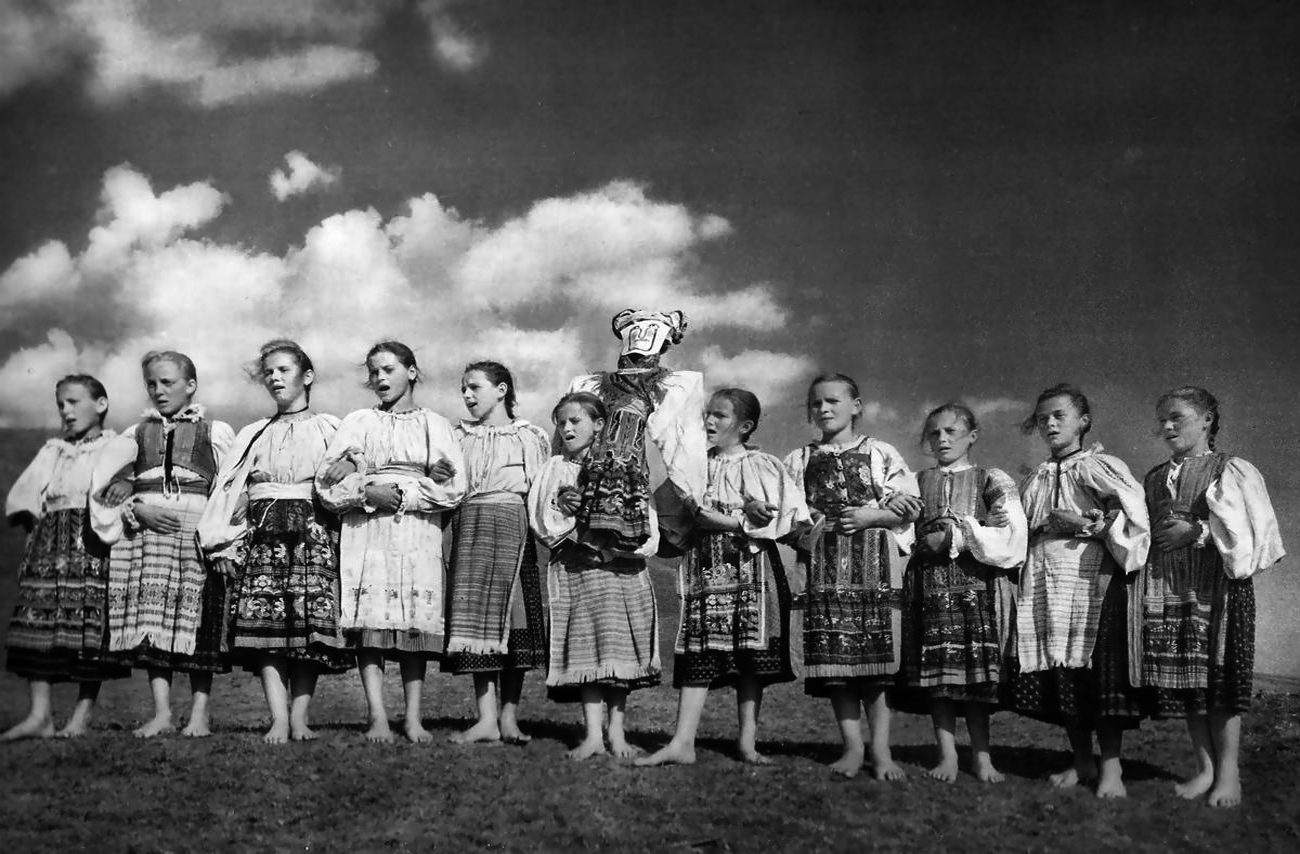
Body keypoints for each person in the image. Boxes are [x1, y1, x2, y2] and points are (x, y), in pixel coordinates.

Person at [638, 388, 809, 766]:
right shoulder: (693, 467)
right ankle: (682, 742)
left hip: (753, 568)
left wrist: (746, 514)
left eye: (721, 415)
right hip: (704, 566)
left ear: (745, 426)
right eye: (708, 414)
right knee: (698, 649)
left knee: (751, 656)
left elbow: (785, 517)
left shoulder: (763, 464)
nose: (710, 421)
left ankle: (747, 742)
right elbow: (669, 516)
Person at [197, 340, 348, 743]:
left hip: (313, 534)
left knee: (308, 629)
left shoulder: (332, 429)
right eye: (269, 372)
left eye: (284, 370)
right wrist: (225, 540)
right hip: (264, 536)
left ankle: (299, 718)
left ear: (307, 376)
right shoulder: (253, 433)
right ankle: (278, 718)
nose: (275, 378)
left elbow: (353, 473)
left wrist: (349, 467)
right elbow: (227, 489)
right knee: (266, 628)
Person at [1139, 386, 1284, 807]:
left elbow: (1253, 535)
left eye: (1177, 418)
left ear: (1207, 420)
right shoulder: (1153, 478)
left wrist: (1198, 531)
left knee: (1219, 680)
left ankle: (1229, 774)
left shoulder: (1232, 469)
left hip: (1217, 586)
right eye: (1162, 420)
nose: (1167, 426)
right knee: (1190, 682)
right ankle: (1205, 770)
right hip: (1168, 586)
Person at [316, 342, 466, 743]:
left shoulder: (435, 424)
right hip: (368, 530)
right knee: (370, 623)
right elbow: (326, 483)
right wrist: (368, 491)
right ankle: (377, 716)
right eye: (374, 372)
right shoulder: (358, 422)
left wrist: (408, 495)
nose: (380, 378)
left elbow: (454, 485)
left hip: (417, 530)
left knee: (414, 627)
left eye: (389, 369)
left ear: (412, 372)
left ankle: (414, 717)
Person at [1010, 383, 1149, 798]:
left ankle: (1111, 768)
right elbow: (1019, 528)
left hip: (1092, 582)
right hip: (1045, 582)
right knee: (1064, 672)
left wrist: (1086, 524)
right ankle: (1082, 760)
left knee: (1098, 672)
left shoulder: (1100, 467)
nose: (1049, 424)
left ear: (1083, 421)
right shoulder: (1034, 478)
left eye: (1059, 416)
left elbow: (1135, 519)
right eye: (1042, 419)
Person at [90, 351, 236, 738]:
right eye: (152, 383)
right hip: (148, 536)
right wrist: (134, 501)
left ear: (190, 386)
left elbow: (229, 487)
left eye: (167, 382)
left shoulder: (214, 432)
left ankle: (200, 715)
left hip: (195, 535)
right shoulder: (135, 434)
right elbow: (106, 483)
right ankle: (162, 713)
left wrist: (221, 541)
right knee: (153, 622)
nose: (158, 390)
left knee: (199, 623)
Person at [783, 373, 921, 780]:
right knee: (835, 661)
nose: (823, 409)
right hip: (822, 563)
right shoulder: (798, 459)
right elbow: (785, 514)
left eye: (833, 401)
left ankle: (881, 750)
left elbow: (910, 507)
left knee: (875, 661)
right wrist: (807, 524)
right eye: (816, 403)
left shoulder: (880, 452)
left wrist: (870, 516)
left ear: (856, 406)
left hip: (873, 562)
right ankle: (852, 747)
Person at [895, 403, 1026, 783]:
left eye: (951, 431)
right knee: (938, 677)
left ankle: (983, 757)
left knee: (976, 677)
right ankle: (948, 755)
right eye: (934, 433)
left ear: (972, 436)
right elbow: (901, 530)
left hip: (976, 587)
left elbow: (1011, 532)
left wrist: (963, 533)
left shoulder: (990, 479)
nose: (942, 439)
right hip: (928, 586)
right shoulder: (915, 481)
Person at [529, 392, 661, 759]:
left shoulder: (626, 466)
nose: (567, 428)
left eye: (575, 421)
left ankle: (616, 732)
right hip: (579, 570)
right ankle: (592, 735)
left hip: (619, 571)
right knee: (586, 649)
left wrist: (617, 543)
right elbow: (541, 514)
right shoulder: (556, 468)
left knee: (618, 650)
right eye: (561, 423)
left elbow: (646, 523)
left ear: (599, 424)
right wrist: (562, 503)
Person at [2, 375, 128, 740]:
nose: (66, 411)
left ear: (101, 404)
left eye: (73, 402)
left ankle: (80, 718)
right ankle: (40, 715)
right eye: (61, 404)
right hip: (49, 545)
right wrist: (34, 534)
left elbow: (131, 479)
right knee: (38, 622)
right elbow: (27, 495)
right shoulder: (53, 450)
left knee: (90, 629)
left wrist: (128, 483)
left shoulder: (117, 446)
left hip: (93, 545)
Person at [443, 361, 550, 745]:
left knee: (515, 622)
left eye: (474, 387)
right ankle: (486, 718)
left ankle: (508, 718)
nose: (467, 395)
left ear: (501, 389)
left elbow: (542, 489)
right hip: (471, 531)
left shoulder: (530, 436)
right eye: (463, 389)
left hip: (513, 532)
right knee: (477, 622)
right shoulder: (457, 437)